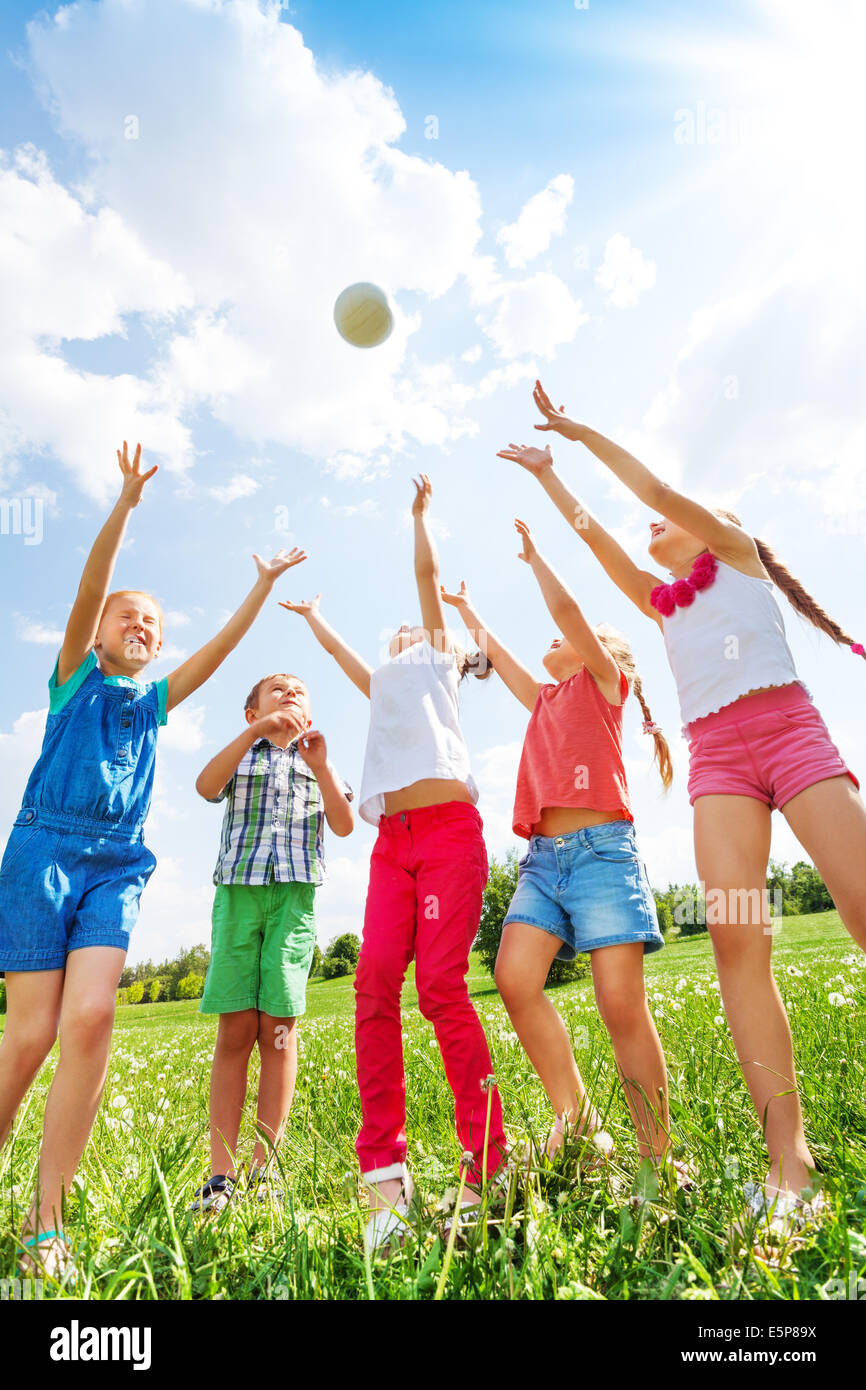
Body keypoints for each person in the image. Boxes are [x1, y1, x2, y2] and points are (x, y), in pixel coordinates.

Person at [500, 381, 866, 1229]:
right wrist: (552, 479)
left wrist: (580, 429)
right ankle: (790, 1172)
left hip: (790, 737)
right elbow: (596, 542)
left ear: (716, 525)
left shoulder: (736, 555)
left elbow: (656, 494)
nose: (653, 524)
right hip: (719, 768)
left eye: (670, 520)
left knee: (859, 900)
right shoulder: (658, 607)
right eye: (652, 527)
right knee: (740, 937)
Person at [0, 442, 304, 1279]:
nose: (145, 628)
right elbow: (90, 586)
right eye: (130, 618)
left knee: (90, 1017)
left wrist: (262, 588)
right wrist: (127, 504)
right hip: (42, 853)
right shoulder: (73, 680)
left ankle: (45, 1224)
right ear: (96, 636)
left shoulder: (157, 702)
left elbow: (220, 647)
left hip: (117, 865)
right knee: (27, 1037)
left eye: (156, 626)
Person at [281, 475, 507, 1252]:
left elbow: (424, 580)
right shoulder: (381, 681)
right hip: (393, 846)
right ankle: (385, 1179)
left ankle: (486, 1167)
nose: (406, 630)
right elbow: (343, 650)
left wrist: (419, 517)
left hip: (447, 834)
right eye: (399, 631)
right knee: (374, 978)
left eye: (417, 626)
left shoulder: (440, 661)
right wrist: (315, 618)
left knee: (441, 986)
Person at [443, 518, 685, 1184]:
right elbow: (504, 660)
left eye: (569, 640)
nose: (553, 639)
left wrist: (535, 558)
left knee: (619, 1004)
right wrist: (465, 610)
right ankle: (576, 1120)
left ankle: (658, 1157)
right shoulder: (546, 699)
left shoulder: (606, 684)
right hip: (545, 863)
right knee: (515, 979)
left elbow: (568, 612)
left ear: (597, 652)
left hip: (604, 855)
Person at [190, 672, 354, 1212]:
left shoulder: (318, 762)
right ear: (251, 712)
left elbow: (345, 823)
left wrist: (323, 766)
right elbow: (205, 785)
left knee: (279, 1028)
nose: (290, 693)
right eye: (276, 689)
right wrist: (254, 734)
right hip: (239, 897)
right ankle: (220, 1175)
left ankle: (265, 1170)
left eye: (300, 690)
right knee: (236, 1025)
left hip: (294, 900)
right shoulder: (244, 757)